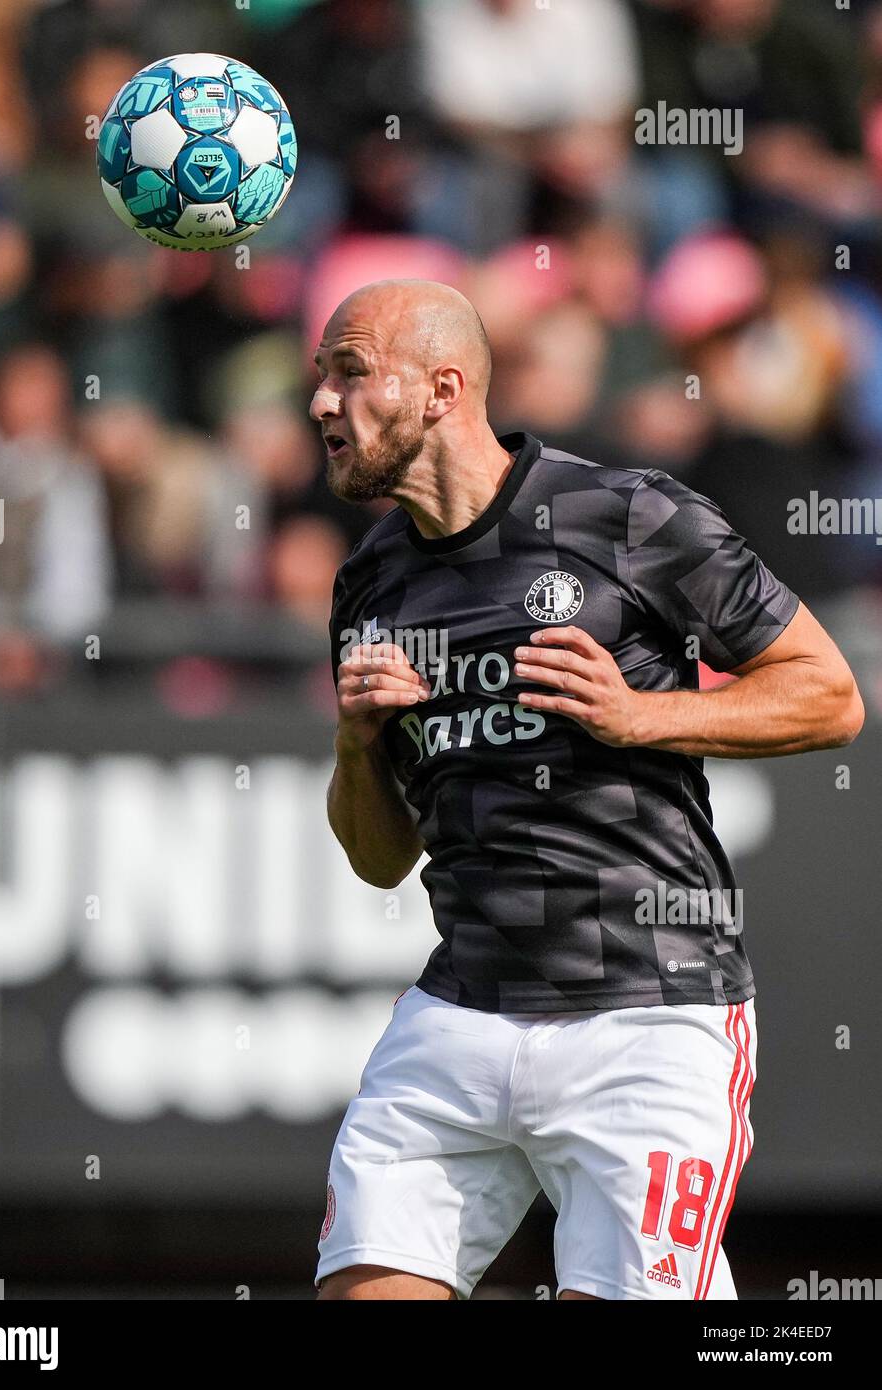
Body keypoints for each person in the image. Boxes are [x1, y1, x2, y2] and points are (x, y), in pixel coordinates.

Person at [310, 279, 864, 1301]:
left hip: (645, 1014)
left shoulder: (627, 516)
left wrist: (643, 715)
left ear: (440, 389)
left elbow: (828, 695)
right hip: (462, 1008)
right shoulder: (372, 579)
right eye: (320, 379)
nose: (321, 406)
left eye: (348, 374)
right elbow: (384, 856)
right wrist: (355, 744)